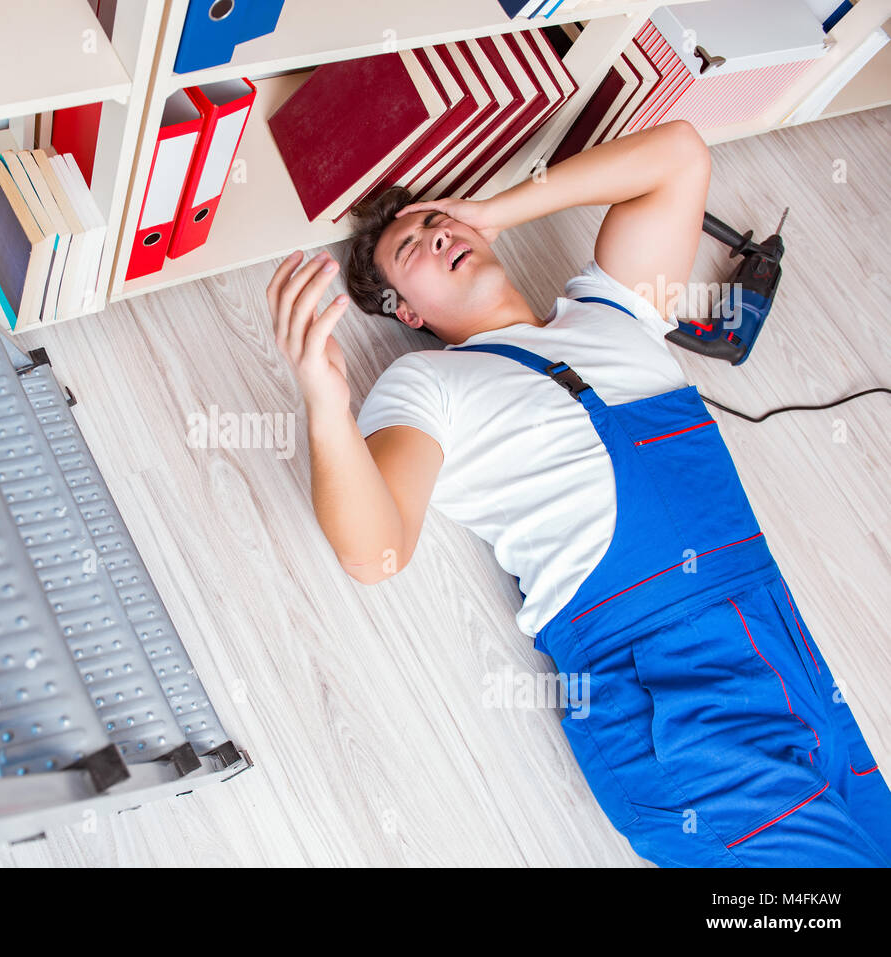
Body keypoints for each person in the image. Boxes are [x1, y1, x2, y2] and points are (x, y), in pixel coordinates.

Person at [265, 119, 891, 867]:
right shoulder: (428, 384)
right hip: (663, 686)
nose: (435, 237)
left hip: (777, 643)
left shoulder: (614, 308)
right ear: (408, 313)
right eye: (412, 250)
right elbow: (376, 553)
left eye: (438, 222)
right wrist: (325, 407)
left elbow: (680, 155)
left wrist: (494, 209)